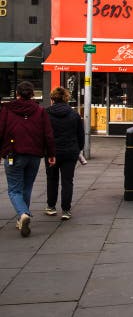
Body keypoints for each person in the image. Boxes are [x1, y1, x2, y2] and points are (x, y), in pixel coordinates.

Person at [0, 81, 56, 237]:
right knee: (27, 187)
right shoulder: (40, 110)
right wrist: (51, 154)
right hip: (34, 155)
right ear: (32, 94)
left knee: (13, 189)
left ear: (17, 94)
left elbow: (1, 130)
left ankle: (23, 213)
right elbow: (48, 135)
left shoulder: (7, 109)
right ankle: (21, 217)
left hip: (13, 154)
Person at [44, 87, 84, 220]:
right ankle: (66, 210)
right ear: (66, 98)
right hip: (70, 151)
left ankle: (51, 207)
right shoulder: (74, 115)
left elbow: (43, 134)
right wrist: (78, 149)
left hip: (52, 152)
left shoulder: (46, 113)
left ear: (52, 98)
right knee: (68, 181)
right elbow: (80, 135)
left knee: (52, 179)